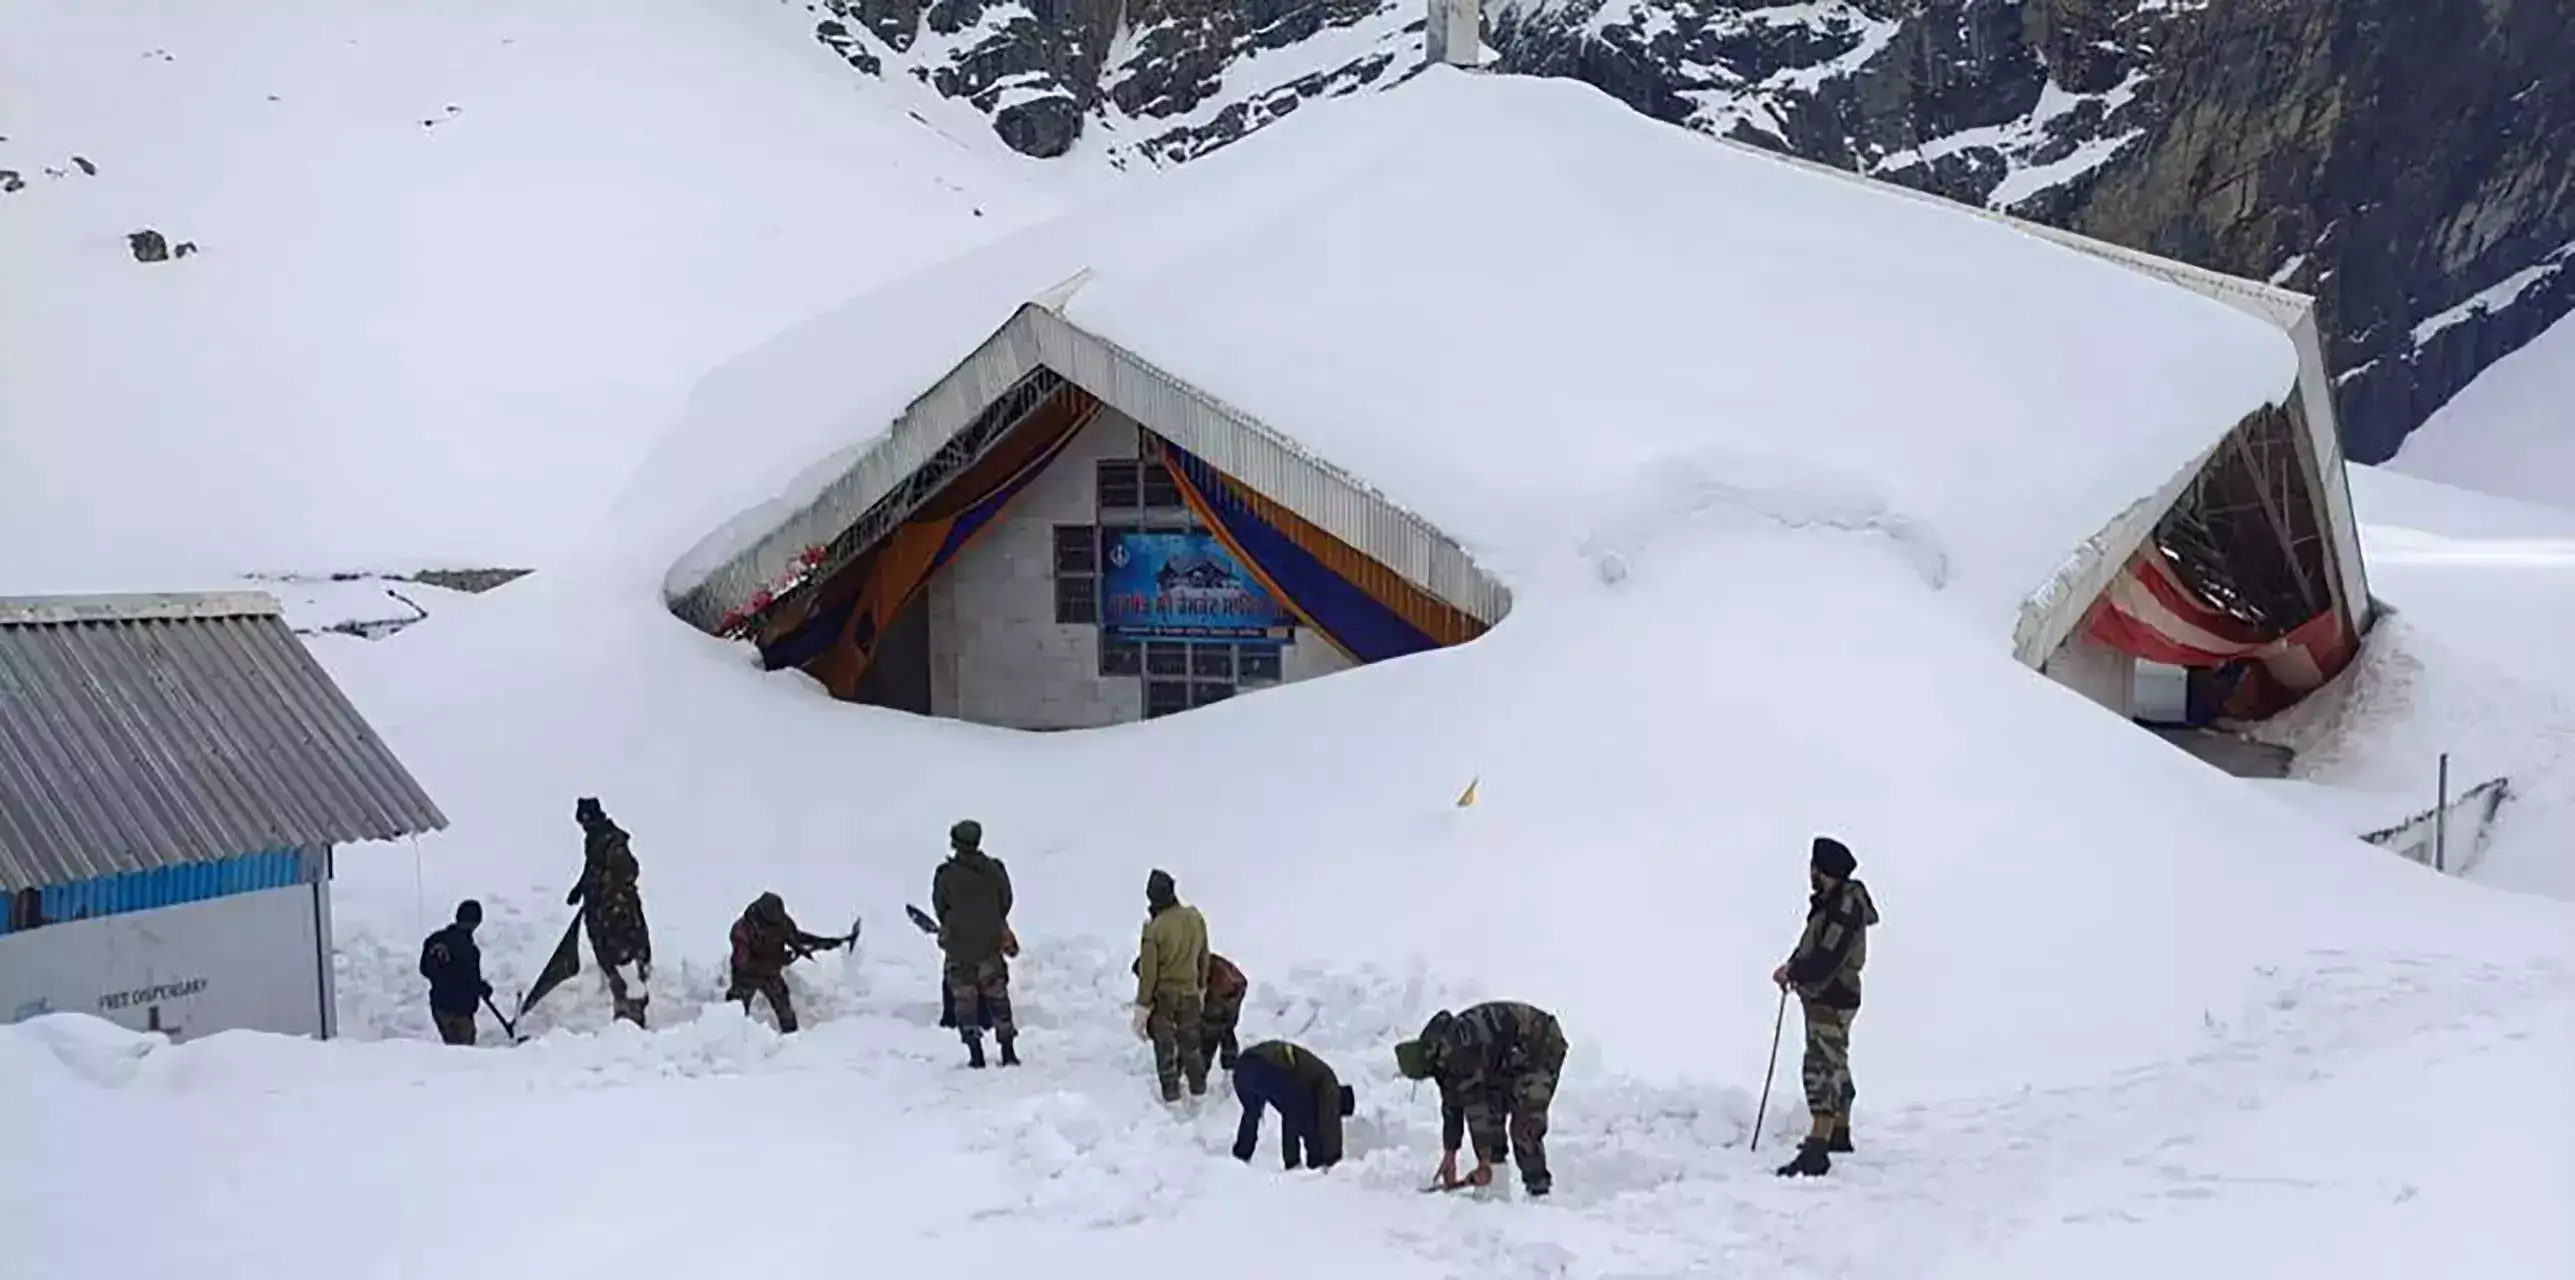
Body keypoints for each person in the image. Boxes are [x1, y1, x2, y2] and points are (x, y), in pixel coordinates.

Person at [1771, 835, 1880, 1178]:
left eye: (1814, 868)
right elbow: (1810, 946)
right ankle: (1838, 1133)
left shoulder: (1843, 908)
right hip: (1830, 995)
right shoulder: (1831, 903)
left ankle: (1818, 1149)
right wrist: (1792, 966)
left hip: (1831, 996)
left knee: (1820, 1064)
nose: (1811, 874)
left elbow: (1827, 956)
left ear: (1824, 870)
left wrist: (1795, 971)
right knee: (1835, 1058)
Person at [1394, 1000, 1568, 1197]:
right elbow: (1452, 1101)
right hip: (1506, 1057)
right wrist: (1450, 1152)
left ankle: (1539, 1192)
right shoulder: (1439, 1052)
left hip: (1541, 1045)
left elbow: (1476, 1104)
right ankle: (1497, 1188)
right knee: (1492, 1106)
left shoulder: (1460, 1050)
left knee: (1524, 1124)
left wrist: (1484, 1163)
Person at [932, 819, 1018, 1068]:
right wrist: (991, 923)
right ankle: (1008, 1052)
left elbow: (940, 908)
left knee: (964, 1002)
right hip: (990, 946)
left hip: (959, 949)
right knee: (999, 999)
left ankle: (976, 1054)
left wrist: (956, 926)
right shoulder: (994, 870)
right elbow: (1006, 901)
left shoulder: (945, 875)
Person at [568, 796, 654, 1027]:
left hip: (618, 916)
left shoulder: (612, 842)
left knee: (626, 963)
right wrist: (581, 888)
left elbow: (629, 872)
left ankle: (634, 1015)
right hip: (601, 914)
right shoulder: (594, 839)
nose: (584, 826)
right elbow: (592, 868)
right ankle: (623, 1014)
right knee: (611, 962)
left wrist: (610, 892)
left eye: (586, 821)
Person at [1132, 868, 1210, 1102]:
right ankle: (1198, 1091)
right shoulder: (1195, 918)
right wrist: (1202, 986)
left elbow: (1148, 975)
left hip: (1164, 997)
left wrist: (1142, 1009)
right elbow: (1203, 955)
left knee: (1165, 1048)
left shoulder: (1154, 929)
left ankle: (1171, 1095)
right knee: (1191, 1045)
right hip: (1191, 992)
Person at [727, 892, 848, 1033]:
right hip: (746, 976)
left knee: (785, 1010)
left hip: (771, 974)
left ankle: (791, 1044)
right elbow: (742, 963)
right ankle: (729, 1041)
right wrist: (779, 960)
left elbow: (793, 936)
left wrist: (825, 942)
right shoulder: (742, 931)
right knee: (735, 1010)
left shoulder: (780, 920)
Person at [1232, 1040, 1353, 1170]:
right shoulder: (1329, 1083)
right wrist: (1333, 1160)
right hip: (1268, 1065)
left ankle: (1240, 1157)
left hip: (1243, 1067)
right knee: (1299, 1115)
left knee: (1253, 1112)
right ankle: (1304, 1167)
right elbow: (1330, 1122)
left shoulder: (1309, 1082)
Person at [418, 899, 493, 1046]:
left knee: (453, 1047)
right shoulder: (469, 949)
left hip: (439, 1006)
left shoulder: (435, 939)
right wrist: (481, 988)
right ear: (476, 922)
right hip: (459, 1010)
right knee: (463, 1052)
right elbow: (468, 980)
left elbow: (424, 970)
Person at [1203, 953, 1249, 1070]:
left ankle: (1199, 1075)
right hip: (1235, 984)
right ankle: (1230, 1063)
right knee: (1226, 1026)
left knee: (1211, 1034)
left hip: (1225, 990)